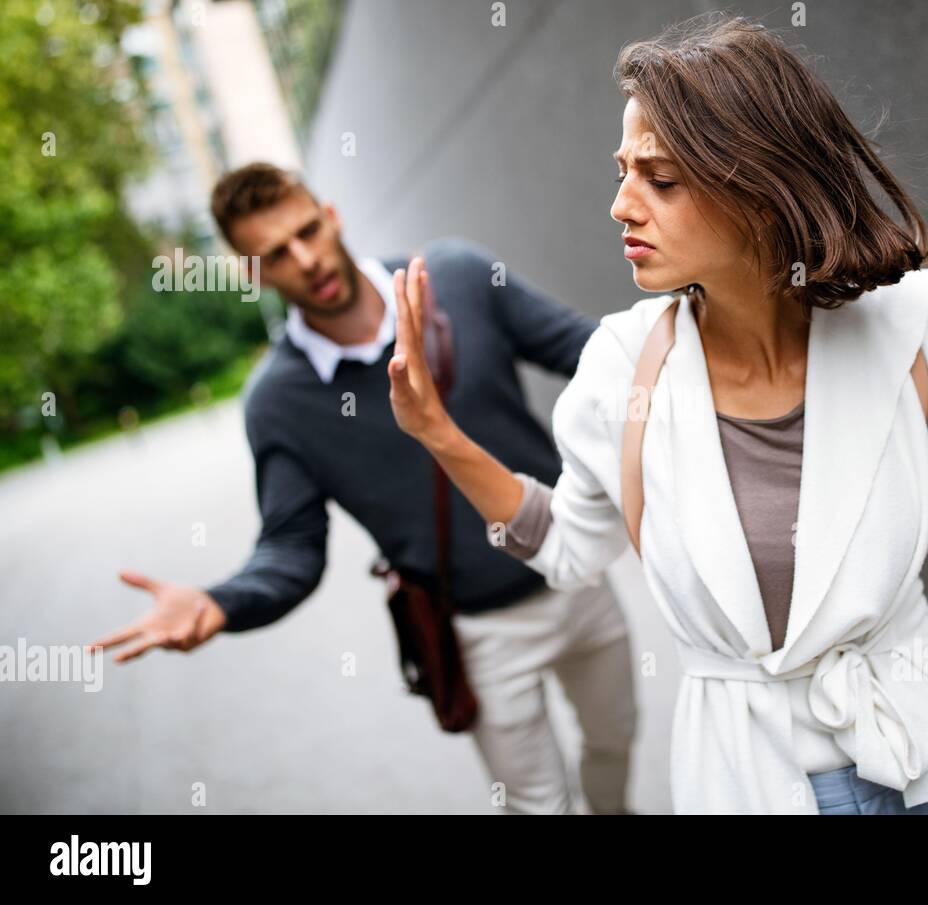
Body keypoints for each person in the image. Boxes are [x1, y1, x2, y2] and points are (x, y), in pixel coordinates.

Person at [385, 15, 928, 815]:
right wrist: (436, 433)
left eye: (661, 179)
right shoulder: (622, 368)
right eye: (622, 172)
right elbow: (571, 546)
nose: (622, 205)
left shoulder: (914, 328)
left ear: (759, 186)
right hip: (755, 780)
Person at [91, 163, 637, 816]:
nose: (306, 258)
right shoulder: (278, 402)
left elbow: (590, 353)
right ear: (252, 274)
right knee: (537, 805)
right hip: (476, 632)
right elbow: (292, 546)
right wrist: (222, 601)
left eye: (308, 230)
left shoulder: (457, 277)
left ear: (331, 215)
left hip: (578, 574)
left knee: (615, 744)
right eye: (276, 254)